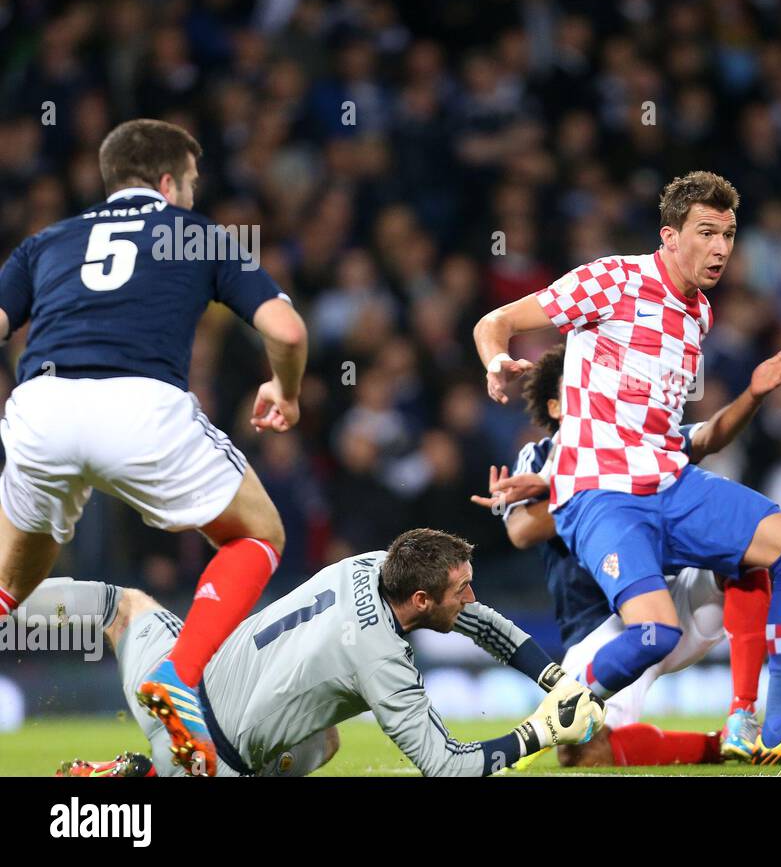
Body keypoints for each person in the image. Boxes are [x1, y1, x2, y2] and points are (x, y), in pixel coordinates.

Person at [472, 171, 781, 765]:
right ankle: (566, 709)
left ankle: (773, 728)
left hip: (668, 483)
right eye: (707, 232)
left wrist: (751, 396)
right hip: (602, 495)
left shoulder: (699, 314)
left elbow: (669, 434)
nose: (722, 248)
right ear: (669, 236)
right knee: (654, 635)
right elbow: (493, 322)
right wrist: (496, 359)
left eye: (729, 234)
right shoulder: (613, 279)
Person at [0, 119, 309, 775]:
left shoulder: (46, 241)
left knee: (9, 584)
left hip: (42, 403)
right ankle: (178, 673)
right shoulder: (195, 234)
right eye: (191, 184)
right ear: (169, 182)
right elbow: (285, 328)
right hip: (142, 410)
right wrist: (285, 389)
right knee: (258, 532)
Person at [28, 528, 604, 777]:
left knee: (119, 607)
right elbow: (445, 764)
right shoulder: (381, 660)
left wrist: (554, 676)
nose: (473, 598)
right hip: (214, 757)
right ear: (422, 599)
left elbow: (475, 620)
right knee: (322, 740)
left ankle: (12, 599)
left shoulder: (378, 564)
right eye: (463, 589)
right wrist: (540, 731)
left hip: (179, 682)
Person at [472, 343, 781, 766]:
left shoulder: (640, 439)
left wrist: (753, 395)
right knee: (581, 754)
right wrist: (597, 484)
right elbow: (521, 530)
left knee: (746, 554)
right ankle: (718, 745)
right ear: (555, 407)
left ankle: (743, 713)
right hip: (604, 630)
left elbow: (707, 436)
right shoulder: (539, 457)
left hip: (673, 601)